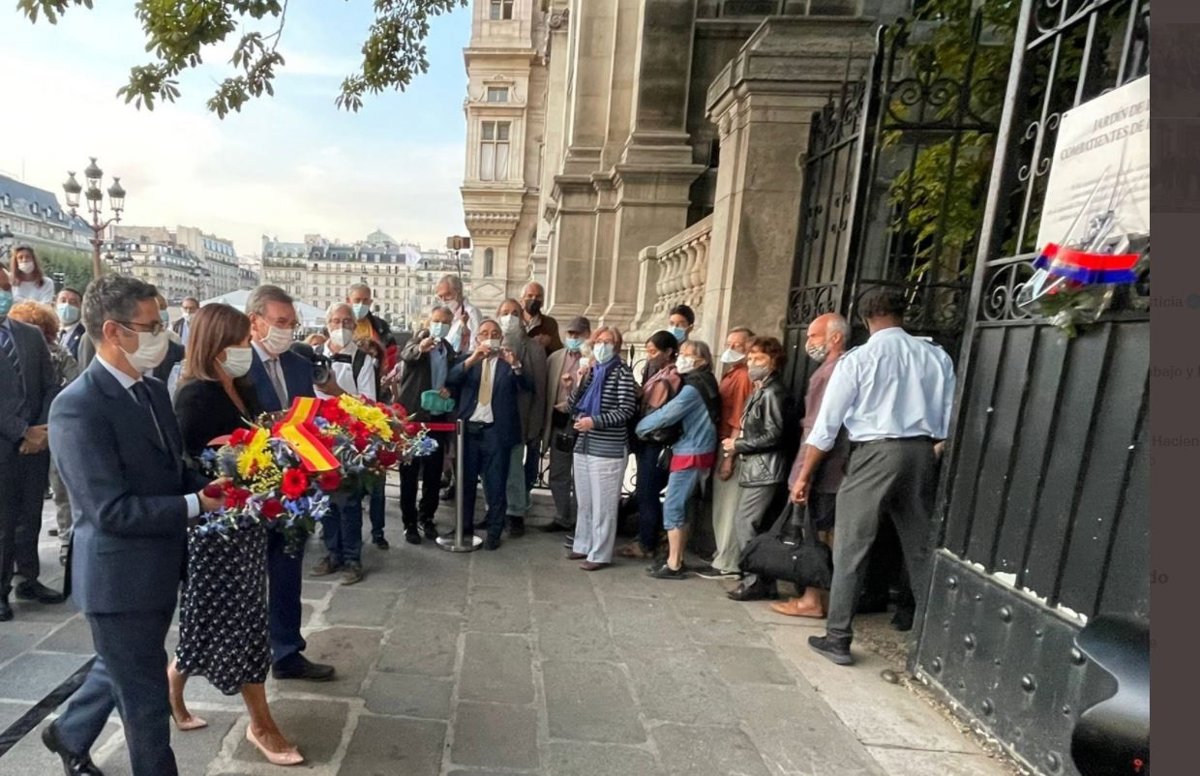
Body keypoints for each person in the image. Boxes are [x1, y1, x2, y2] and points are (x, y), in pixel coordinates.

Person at [43, 274, 222, 776]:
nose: (163, 334)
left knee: (125, 664)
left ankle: (70, 730)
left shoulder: (152, 390)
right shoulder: (77, 407)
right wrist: (196, 505)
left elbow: (171, 468)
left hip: (159, 566)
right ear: (113, 331)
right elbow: (110, 511)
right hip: (117, 581)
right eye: (152, 325)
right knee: (145, 701)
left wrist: (220, 481)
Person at [166, 303, 304, 765]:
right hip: (215, 528)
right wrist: (229, 467)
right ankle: (261, 724)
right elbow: (184, 468)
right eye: (240, 341)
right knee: (242, 622)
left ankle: (173, 690)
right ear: (217, 344)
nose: (248, 347)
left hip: (247, 521)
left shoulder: (241, 387)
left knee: (208, 617)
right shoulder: (195, 395)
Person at [794, 288, 955, 666]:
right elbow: (949, 417)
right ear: (903, 313)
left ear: (865, 319)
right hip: (921, 451)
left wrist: (805, 474)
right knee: (919, 548)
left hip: (873, 454)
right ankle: (931, 644)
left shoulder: (859, 360)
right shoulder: (936, 356)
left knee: (852, 546)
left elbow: (826, 427)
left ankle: (838, 636)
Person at [244, 285, 337, 682]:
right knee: (248, 578)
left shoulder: (299, 362)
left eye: (291, 323)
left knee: (287, 569)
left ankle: (286, 652)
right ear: (255, 322)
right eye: (280, 323)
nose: (287, 330)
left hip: (293, 489)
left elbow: (308, 417)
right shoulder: (234, 364)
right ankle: (245, 656)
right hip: (249, 488)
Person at [772, 313, 851, 618]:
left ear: (834, 337)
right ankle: (821, 597)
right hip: (839, 466)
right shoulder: (845, 368)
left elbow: (819, 429)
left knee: (817, 533)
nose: (807, 343)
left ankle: (812, 598)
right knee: (825, 532)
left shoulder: (828, 373)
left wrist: (803, 474)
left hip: (825, 468)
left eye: (814, 336)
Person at [1, 271, 64, 621]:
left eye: (5, 288)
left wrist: (40, 430)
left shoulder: (28, 335)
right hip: (6, 442)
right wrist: (22, 431)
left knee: (30, 515)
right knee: (3, 521)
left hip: (35, 442)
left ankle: (29, 578)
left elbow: (49, 384)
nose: (3, 294)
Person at [636, 339, 721, 579]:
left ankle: (674, 563)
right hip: (696, 449)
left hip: (691, 451)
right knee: (681, 505)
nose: (681, 358)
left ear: (702, 360)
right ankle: (676, 557)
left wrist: (641, 427)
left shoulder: (694, 387)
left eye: (687, 354)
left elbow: (668, 414)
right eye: (681, 353)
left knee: (673, 506)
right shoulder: (704, 381)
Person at [724, 336, 799, 602]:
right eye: (751, 357)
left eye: (760, 358)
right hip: (757, 468)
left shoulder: (773, 392)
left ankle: (756, 580)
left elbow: (774, 434)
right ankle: (759, 578)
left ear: (774, 361)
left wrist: (739, 444)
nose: (753, 362)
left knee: (746, 522)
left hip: (765, 469)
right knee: (750, 523)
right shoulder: (761, 389)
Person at [446, 319, 532, 550]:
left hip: (496, 431)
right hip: (469, 431)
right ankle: (463, 527)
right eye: (484, 333)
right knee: (465, 482)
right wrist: (473, 358)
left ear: (501, 338)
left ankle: (494, 531)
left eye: (495, 333)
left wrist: (516, 366)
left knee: (495, 484)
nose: (489, 337)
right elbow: (451, 379)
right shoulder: (467, 361)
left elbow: (526, 387)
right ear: (477, 339)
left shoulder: (509, 363)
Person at [7, 300, 80, 567]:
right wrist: (22, 430)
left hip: (47, 434)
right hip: (13, 436)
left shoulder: (49, 348)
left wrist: (43, 428)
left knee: (45, 501)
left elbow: (62, 386)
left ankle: (36, 567)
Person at [311, 303, 377, 584]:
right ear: (327, 324)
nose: (341, 326)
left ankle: (352, 558)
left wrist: (337, 392)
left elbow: (369, 405)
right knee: (324, 499)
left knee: (349, 501)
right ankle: (332, 552)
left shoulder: (364, 360)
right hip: (315, 438)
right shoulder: (312, 358)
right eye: (336, 320)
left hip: (350, 439)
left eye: (347, 321)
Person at [566, 326, 638, 570]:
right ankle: (583, 544)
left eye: (608, 341)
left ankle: (600, 554)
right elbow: (572, 406)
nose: (602, 345)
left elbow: (626, 409)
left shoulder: (622, 373)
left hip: (608, 448)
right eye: (599, 340)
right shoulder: (591, 371)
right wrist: (577, 382)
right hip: (584, 444)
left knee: (604, 505)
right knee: (585, 501)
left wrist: (594, 421)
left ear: (616, 346)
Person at [396, 305, 457, 544]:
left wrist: (449, 389)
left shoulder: (449, 350)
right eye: (436, 320)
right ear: (428, 321)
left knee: (433, 472)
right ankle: (409, 522)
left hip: (437, 418)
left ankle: (427, 517)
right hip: (414, 417)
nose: (440, 325)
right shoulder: (418, 342)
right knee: (409, 472)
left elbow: (454, 377)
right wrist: (421, 347)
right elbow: (408, 354)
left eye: (445, 322)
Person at [619, 331, 681, 561]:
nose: (649, 356)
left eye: (653, 351)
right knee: (645, 492)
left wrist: (639, 394)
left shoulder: (671, 375)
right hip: (649, 440)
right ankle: (647, 537)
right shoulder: (658, 372)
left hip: (656, 441)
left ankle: (647, 542)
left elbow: (655, 405)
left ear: (668, 352)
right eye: (648, 351)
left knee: (647, 493)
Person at [700, 326, 755, 580]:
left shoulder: (743, 377)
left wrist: (729, 458)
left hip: (730, 447)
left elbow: (739, 421)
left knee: (729, 508)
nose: (731, 349)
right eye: (729, 344)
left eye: (738, 345)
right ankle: (723, 556)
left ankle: (729, 562)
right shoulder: (733, 374)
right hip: (723, 443)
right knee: (722, 507)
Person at [496, 298, 548, 538]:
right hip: (490, 419)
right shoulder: (489, 344)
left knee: (514, 470)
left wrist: (534, 426)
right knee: (493, 471)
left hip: (518, 420)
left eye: (514, 313)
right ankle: (493, 510)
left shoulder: (534, 349)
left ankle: (515, 513)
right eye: (504, 312)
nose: (509, 317)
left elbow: (538, 390)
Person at [539, 316, 591, 533]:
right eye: (570, 334)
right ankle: (562, 516)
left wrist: (571, 391)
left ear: (587, 335)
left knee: (582, 475)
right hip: (560, 423)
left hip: (584, 424)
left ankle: (582, 520)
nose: (573, 338)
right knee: (559, 472)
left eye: (578, 334)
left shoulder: (592, 360)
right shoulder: (555, 359)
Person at [347, 282, 398, 382]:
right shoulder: (339, 326)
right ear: (348, 301)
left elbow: (392, 351)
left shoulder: (380, 326)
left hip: (375, 378)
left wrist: (388, 373)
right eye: (357, 300)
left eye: (365, 300)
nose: (361, 304)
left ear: (370, 302)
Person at [435, 274, 483, 355]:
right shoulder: (444, 314)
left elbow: (474, 343)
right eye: (440, 296)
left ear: (458, 292)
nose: (443, 300)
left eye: (447, 295)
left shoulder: (471, 312)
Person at [522, 281, 563, 354]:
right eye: (530, 296)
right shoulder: (514, 321)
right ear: (522, 300)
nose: (534, 299)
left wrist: (549, 342)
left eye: (538, 296)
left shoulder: (549, 323)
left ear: (543, 302)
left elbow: (558, 350)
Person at [56, 286, 87, 360]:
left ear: (81, 307)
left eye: (73, 302)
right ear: (55, 304)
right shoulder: (46, 333)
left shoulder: (85, 336)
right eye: (63, 301)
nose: (67, 305)